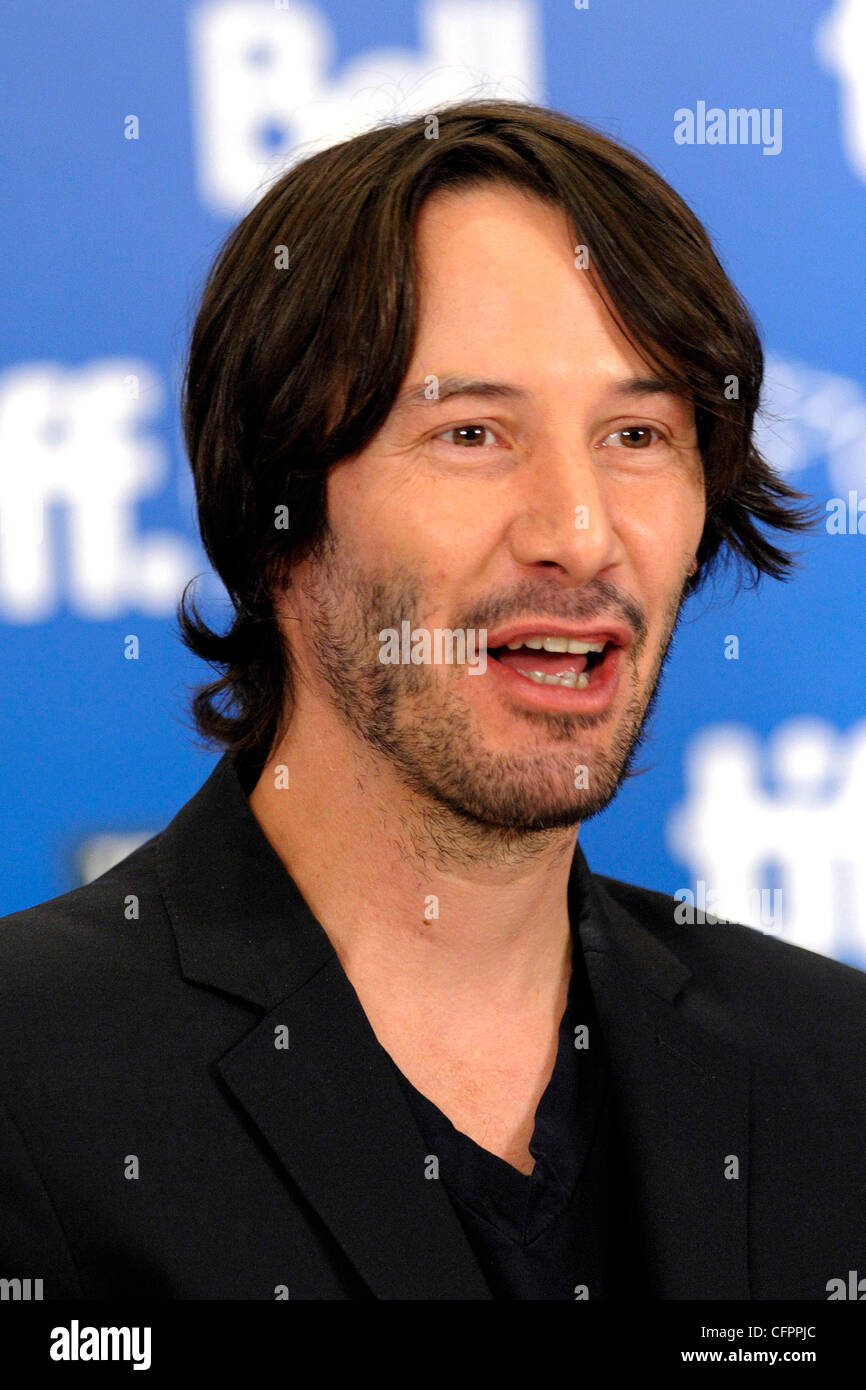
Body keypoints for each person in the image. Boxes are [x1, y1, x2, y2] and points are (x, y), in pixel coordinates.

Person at [1, 100, 862, 1302]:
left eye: (633, 432)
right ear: (281, 517)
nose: (578, 531)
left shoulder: (830, 1071)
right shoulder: (32, 1080)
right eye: (471, 432)